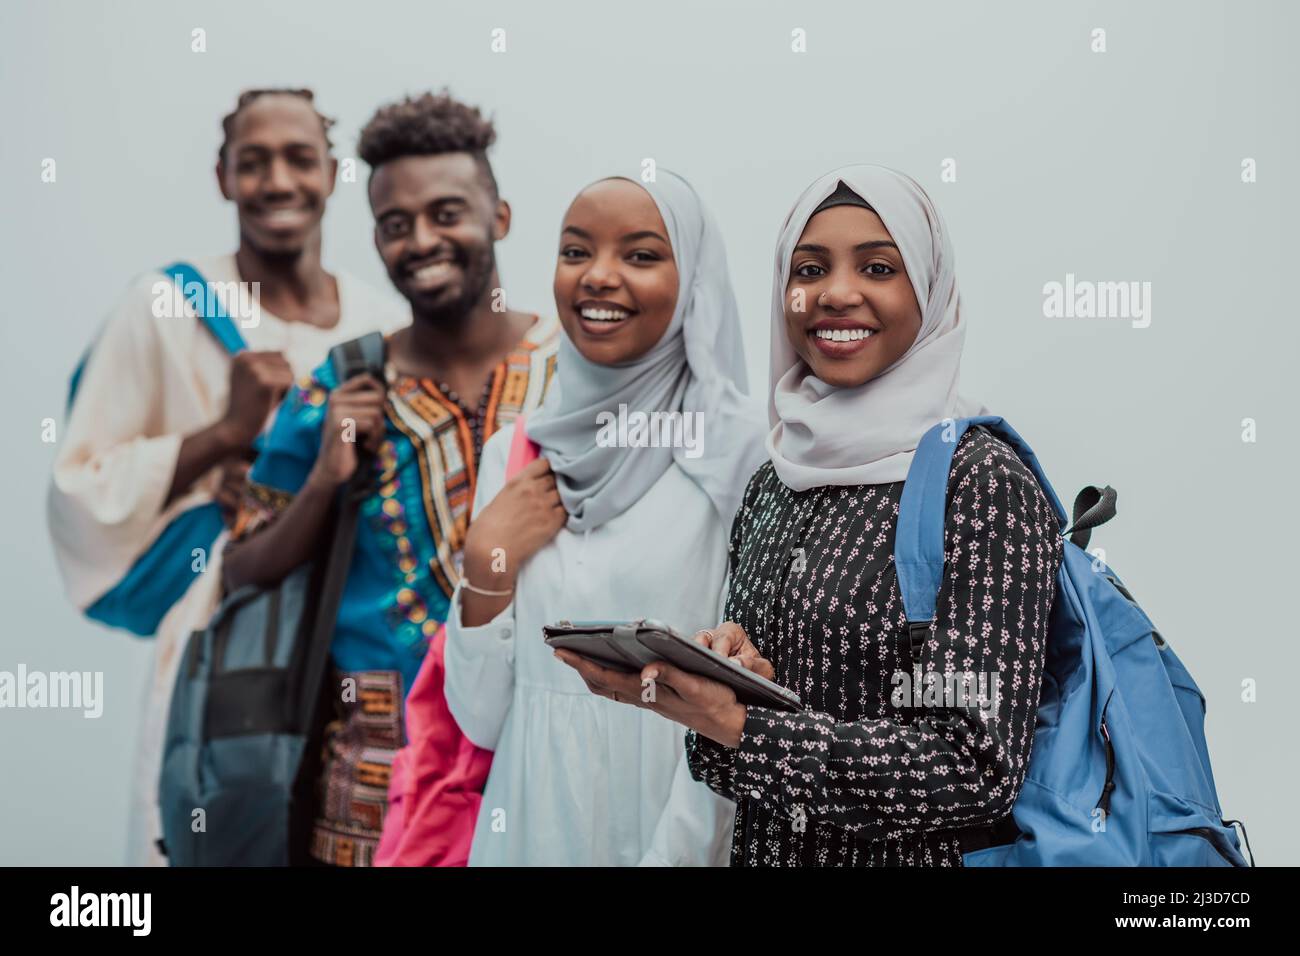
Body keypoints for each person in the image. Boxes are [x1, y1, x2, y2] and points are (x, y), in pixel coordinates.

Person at [558, 165, 1064, 866]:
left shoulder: (978, 483)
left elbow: (972, 768)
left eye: (879, 266)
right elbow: (731, 763)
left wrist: (743, 728)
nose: (835, 292)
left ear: (930, 286)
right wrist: (733, 675)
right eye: (810, 267)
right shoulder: (776, 480)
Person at [46, 88, 409, 866]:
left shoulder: (380, 320)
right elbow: (81, 486)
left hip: (355, 633)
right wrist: (225, 436)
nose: (278, 182)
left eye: (299, 159)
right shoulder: (166, 307)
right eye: (254, 162)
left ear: (333, 172)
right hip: (224, 635)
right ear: (222, 177)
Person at [222, 91, 560, 867]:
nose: (421, 240)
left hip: (538, 761)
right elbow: (239, 566)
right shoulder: (338, 386)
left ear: (499, 216)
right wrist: (326, 478)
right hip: (375, 786)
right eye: (394, 224)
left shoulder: (570, 376)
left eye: (447, 213)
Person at [445, 171, 767, 865]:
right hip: (528, 826)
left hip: (672, 829)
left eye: (642, 255)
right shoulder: (519, 451)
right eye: (575, 252)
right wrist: (486, 562)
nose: (598, 276)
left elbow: (737, 713)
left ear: (695, 283)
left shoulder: (741, 454)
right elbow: (481, 719)